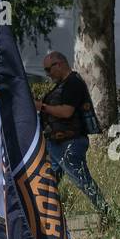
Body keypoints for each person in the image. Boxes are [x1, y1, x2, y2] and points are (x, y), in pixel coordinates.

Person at [35, 51, 110, 216]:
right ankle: (43, 218)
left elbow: (67, 112)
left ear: (59, 64)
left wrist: (43, 107)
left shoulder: (73, 83)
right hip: (56, 145)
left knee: (82, 181)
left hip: (70, 144)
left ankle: (107, 214)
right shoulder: (63, 85)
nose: (48, 74)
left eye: (49, 69)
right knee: (48, 183)